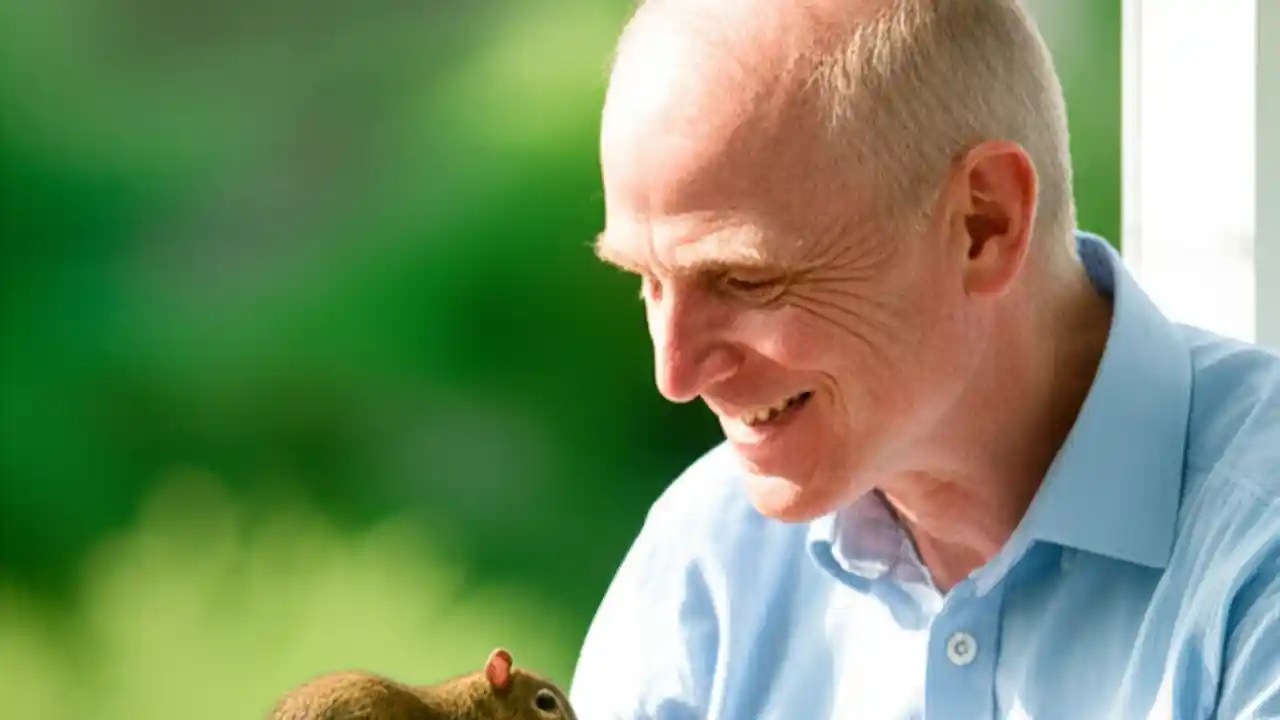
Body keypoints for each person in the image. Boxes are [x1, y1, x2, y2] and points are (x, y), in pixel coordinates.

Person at [567, 0, 1280, 717]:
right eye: (647, 282)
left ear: (983, 223)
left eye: (746, 280)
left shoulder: (1257, 554)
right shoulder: (706, 564)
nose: (676, 373)